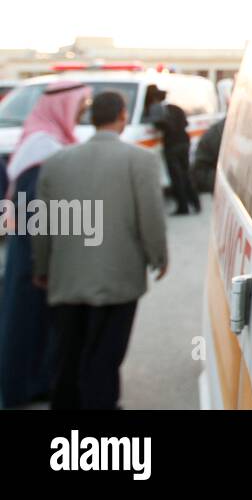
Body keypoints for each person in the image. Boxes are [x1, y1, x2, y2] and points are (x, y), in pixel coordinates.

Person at [32, 91, 168, 410]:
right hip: (117, 279)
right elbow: (150, 216)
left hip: (66, 279)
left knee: (69, 351)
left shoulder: (56, 162)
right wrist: (158, 257)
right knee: (106, 353)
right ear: (122, 115)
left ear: (91, 119)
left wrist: (41, 267)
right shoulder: (141, 161)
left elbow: (40, 223)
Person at [0, 80, 91, 407]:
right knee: (28, 323)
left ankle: (33, 381)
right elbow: (38, 216)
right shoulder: (43, 148)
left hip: (32, 252)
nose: (82, 110)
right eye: (80, 104)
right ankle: (25, 386)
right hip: (35, 258)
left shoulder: (46, 140)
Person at [145, 87, 199, 214]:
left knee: (176, 176)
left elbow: (160, 124)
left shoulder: (157, 110)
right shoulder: (176, 108)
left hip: (172, 145)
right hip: (184, 142)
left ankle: (183, 207)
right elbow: (185, 123)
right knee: (186, 173)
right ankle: (196, 203)